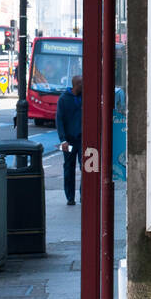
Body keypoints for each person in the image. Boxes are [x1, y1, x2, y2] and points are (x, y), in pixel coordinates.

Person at [56, 74, 83, 205]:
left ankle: (84, 194)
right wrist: (63, 140)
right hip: (69, 140)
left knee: (86, 167)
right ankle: (70, 197)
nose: (84, 85)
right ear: (77, 84)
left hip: (83, 139)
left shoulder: (86, 96)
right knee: (69, 168)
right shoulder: (64, 99)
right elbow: (59, 120)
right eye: (82, 83)